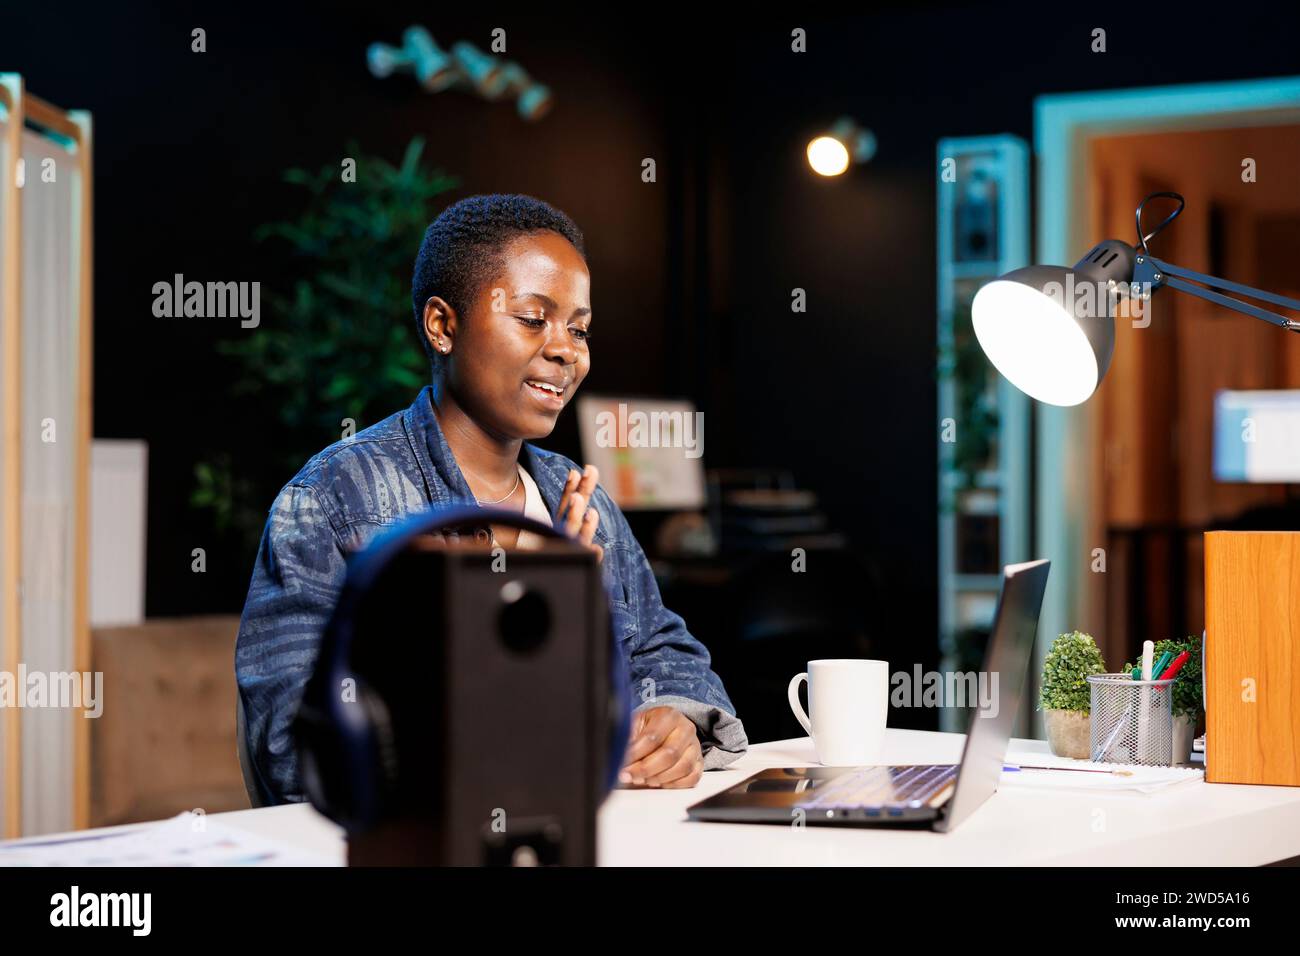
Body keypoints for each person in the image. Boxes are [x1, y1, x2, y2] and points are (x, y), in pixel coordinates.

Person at [236, 193, 747, 805]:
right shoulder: (333, 500)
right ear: (442, 326)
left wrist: (676, 724)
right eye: (533, 319)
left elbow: (668, 653)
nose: (566, 349)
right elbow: (294, 750)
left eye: (579, 328)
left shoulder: (579, 498)